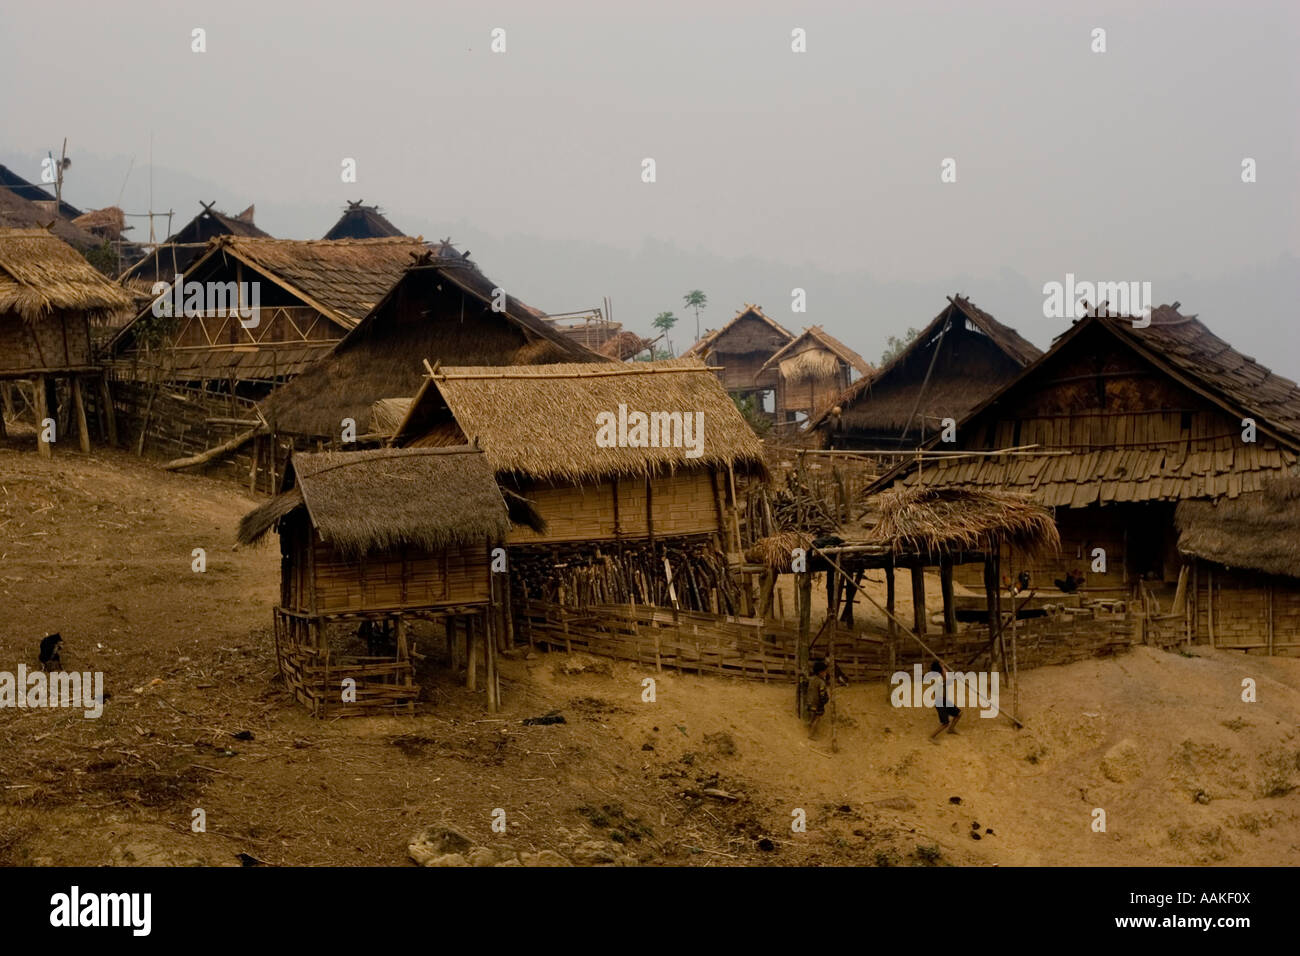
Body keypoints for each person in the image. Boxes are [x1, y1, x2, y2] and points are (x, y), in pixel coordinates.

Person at [928, 658, 962, 740]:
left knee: (959, 714)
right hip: (939, 702)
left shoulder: (939, 675)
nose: (943, 665)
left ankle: (951, 729)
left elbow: (947, 676)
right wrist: (943, 666)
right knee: (945, 723)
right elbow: (947, 677)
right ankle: (931, 737)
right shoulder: (937, 678)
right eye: (941, 665)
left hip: (944, 700)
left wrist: (942, 665)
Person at [806, 660, 830, 738]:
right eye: (825, 672)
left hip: (809, 702)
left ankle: (809, 723)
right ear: (820, 672)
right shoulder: (821, 682)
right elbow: (822, 694)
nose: (826, 673)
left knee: (812, 716)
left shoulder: (811, 679)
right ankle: (811, 734)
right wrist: (824, 701)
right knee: (817, 718)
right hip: (817, 703)